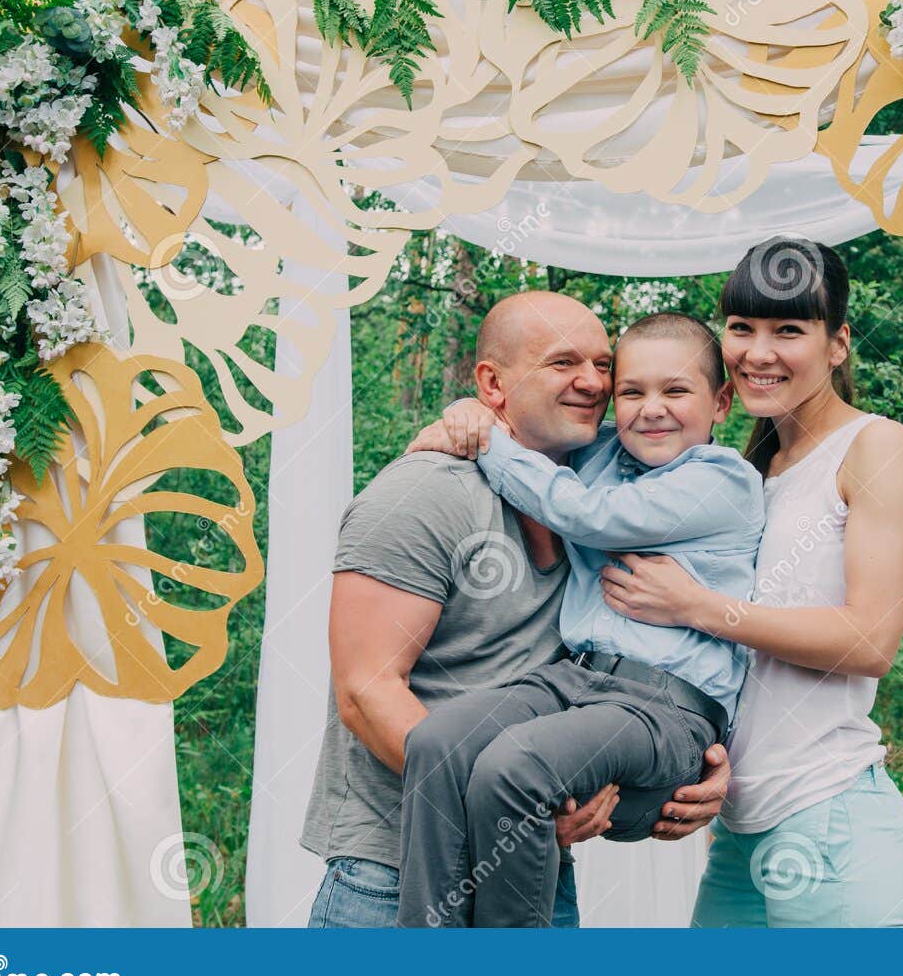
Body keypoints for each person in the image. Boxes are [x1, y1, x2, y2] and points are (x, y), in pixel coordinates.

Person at [299, 291, 729, 928]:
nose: (591, 382)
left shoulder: (601, 492)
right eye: (562, 363)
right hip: (392, 875)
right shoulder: (422, 493)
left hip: (531, 865)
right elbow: (366, 691)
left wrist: (709, 768)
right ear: (493, 383)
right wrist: (511, 800)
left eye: (602, 364)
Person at [396, 312, 764, 927]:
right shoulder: (608, 455)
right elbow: (533, 425)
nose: (652, 410)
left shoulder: (723, 481)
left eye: (676, 391)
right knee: (435, 743)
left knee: (512, 766)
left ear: (721, 401)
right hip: (576, 685)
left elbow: (590, 516)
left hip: (665, 713)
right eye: (631, 392)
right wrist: (473, 413)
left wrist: (491, 443)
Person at [598, 237, 903, 927]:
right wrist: (712, 767)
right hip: (741, 827)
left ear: (837, 343)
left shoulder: (873, 444)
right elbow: (742, 673)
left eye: (789, 330)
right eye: (742, 327)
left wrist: (701, 606)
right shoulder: (748, 471)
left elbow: (869, 640)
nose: (758, 351)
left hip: (831, 821)